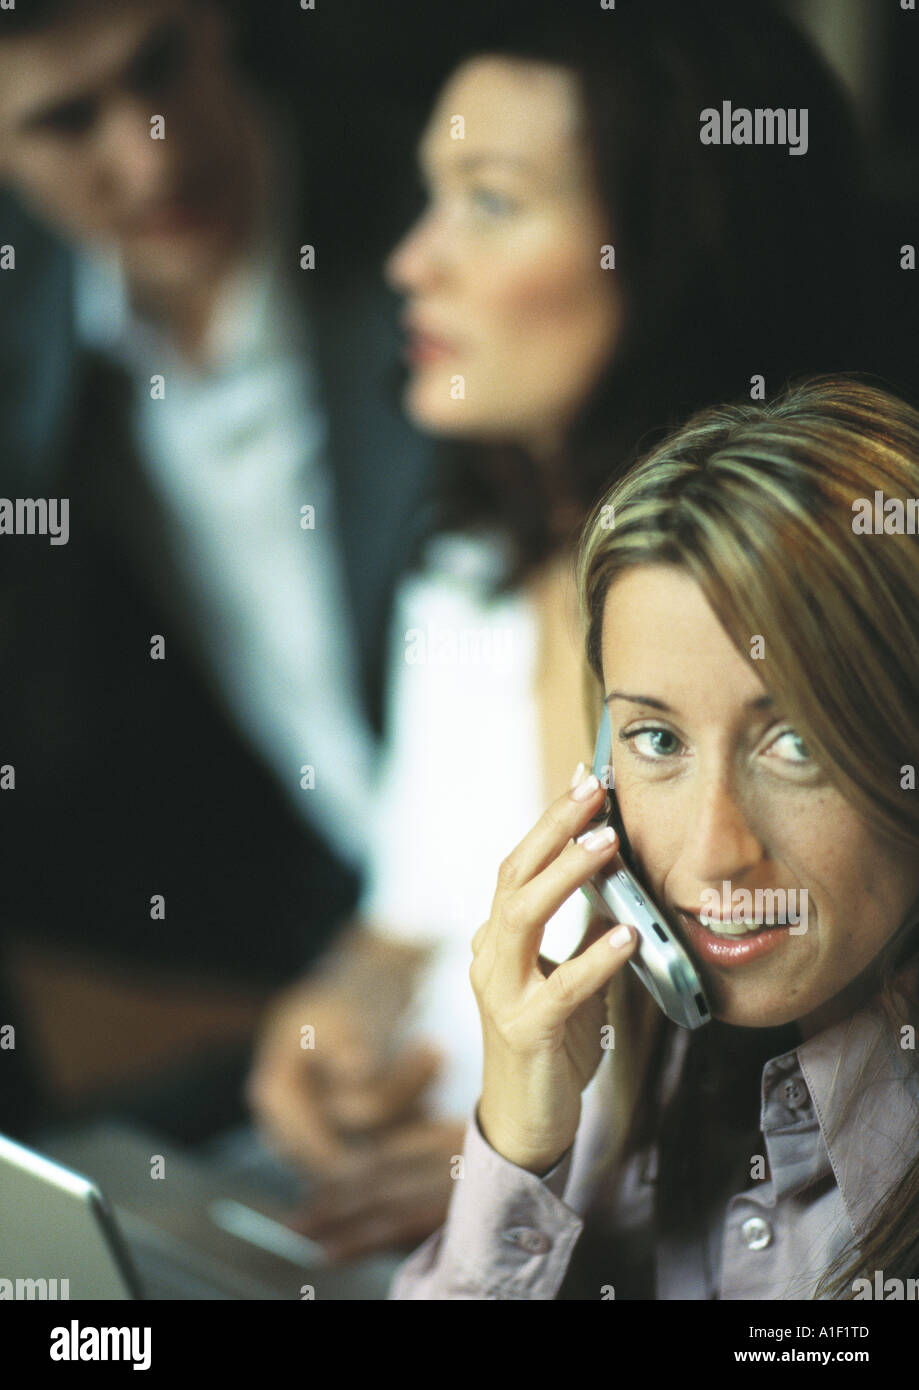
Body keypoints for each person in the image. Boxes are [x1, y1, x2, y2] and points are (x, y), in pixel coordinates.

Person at [246, 0, 889, 1262]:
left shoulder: (833, 603)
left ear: (670, 243)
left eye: (489, 201)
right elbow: (408, 915)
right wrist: (322, 1026)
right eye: (429, 196)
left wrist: (518, 1172)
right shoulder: (467, 566)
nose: (410, 261)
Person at [0, 0, 432, 1137]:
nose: (150, 154)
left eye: (160, 67)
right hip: (316, 951)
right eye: (64, 121)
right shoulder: (28, 349)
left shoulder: (446, 220)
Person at [390, 374, 919, 1299]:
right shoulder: (659, 1048)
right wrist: (519, 1145)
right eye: (657, 739)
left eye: (795, 744)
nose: (712, 855)